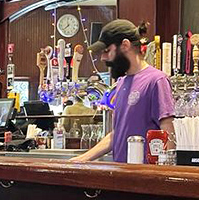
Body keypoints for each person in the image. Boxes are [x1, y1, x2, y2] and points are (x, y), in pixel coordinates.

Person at [75, 20, 175, 163]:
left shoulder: (156, 80)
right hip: (122, 175)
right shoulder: (121, 83)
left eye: (107, 51)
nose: (103, 58)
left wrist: (162, 176)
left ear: (125, 45)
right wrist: (82, 159)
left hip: (145, 178)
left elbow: (168, 130)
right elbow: (117, 134)